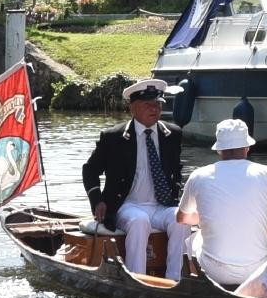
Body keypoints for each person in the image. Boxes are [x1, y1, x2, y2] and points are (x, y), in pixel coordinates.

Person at [177, 115, 267, 298]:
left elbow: (182, 218)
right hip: (258, 271)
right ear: (247, 148)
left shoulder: (198, 176)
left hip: (215, 272)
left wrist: (203, 217)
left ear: (219, 150)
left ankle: (195, 293)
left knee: (193, 238)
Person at [81, 78, 189, 276]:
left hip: (162, 205)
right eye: (148, 104)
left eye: (157, 104)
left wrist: (178, 192)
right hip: (127, 205)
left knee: (181, 220)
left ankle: (176, 280)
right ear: (132, 107)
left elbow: (176, 169)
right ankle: (136, 278)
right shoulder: (113, 137)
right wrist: (97, 200)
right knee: (139, 221)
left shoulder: (172, 134)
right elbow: (90, 170)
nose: (154, 109)